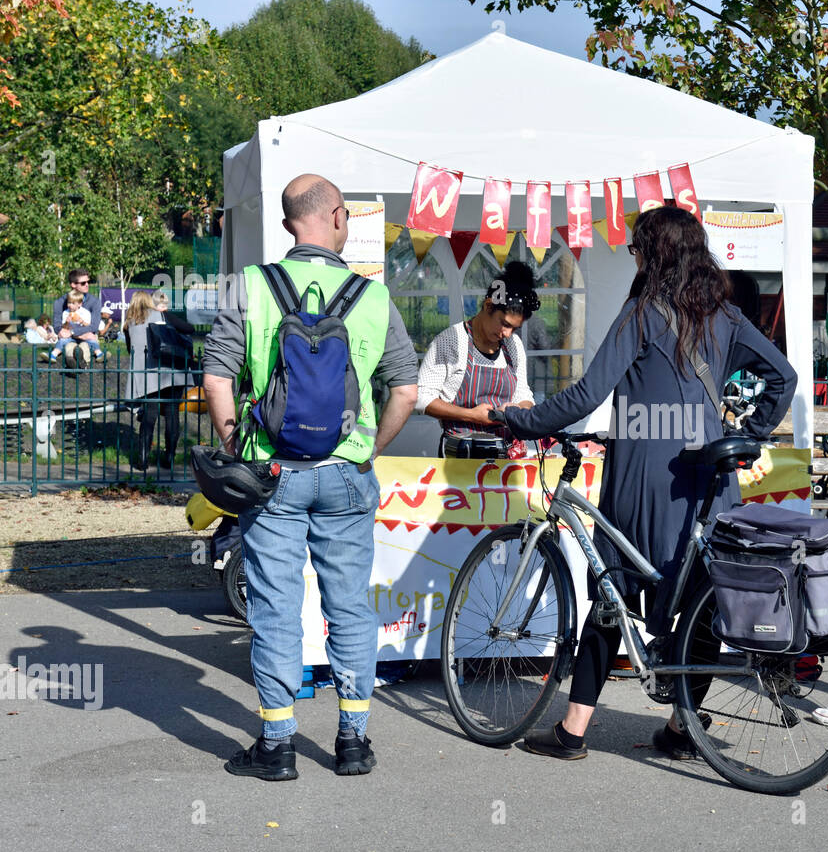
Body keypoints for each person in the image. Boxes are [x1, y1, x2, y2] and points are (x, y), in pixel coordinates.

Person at [497, 204, 796, 761]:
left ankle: (572, 733)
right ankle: (684, 728)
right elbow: (784, 376)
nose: (632, 256)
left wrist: (521, 419)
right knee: (704, 599)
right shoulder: (724, 316)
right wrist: (747, 433)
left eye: (636, 248)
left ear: (652, 254)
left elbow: (587, 395)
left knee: (613, 594)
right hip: (711, 481)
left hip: (645, 479)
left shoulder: (642, 314)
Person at [203, 174, 418, 781]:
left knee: (275, 606)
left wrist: (236, 449)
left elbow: (217, 379)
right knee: (348, 604)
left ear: (288, 221)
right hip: (345, 473)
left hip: (272, 473)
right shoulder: (372, 297)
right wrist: (366, 447)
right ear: (338, 217)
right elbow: (406, 390)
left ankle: (277, 746)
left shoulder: (251, 286)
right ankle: (352, 739)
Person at [417, 261, 536, 454]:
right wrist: (471, 415)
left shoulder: (513, 346)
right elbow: (422, 398)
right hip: (459, 455)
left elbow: (523, 393)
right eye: (504, 324)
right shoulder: (450, 341)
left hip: (505, 455)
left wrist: (519, 408)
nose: (507, 333)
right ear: (489, 306)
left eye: (514, 328)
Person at [124, 292, 193, 471]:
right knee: (172, 414)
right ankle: (169, 456)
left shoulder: (128, 325)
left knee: (149, 415)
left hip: (148, 375)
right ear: (149, 302)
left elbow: (129, 349)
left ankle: (143, 458)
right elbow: (189, 329)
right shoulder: (163, 315)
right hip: (172, 371)